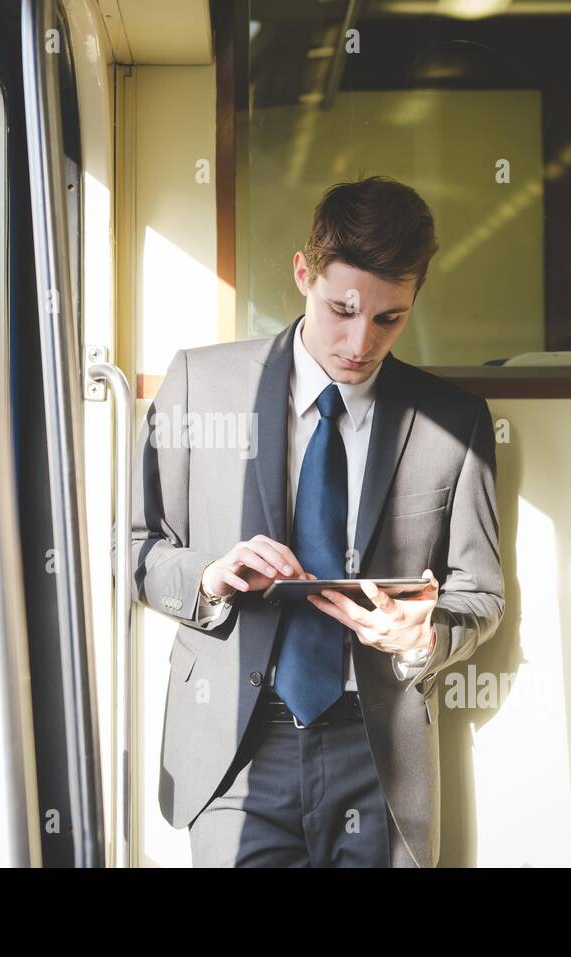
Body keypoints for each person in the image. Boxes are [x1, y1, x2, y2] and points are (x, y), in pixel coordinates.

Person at [130, 175, 504, 867]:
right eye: (342, 309)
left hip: (378, 751)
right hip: (234, 753)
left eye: (389, 318)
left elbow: (480, 595)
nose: (360, 341)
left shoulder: (455, 423)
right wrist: (210, 578)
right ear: (304, 274)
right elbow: (139, 554)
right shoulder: (196, 384)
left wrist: (421, 638)